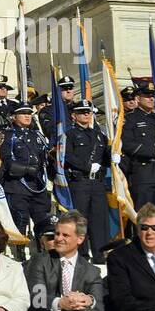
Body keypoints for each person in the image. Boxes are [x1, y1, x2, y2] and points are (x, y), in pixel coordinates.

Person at [0, 102, 52, 252]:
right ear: (14, 116)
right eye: (23, 113)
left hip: (37, 185)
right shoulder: (8, 135)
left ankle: (42, 251)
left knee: (42, 220)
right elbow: (6, 160)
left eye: (29, 113)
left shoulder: (37, 135)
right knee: (20, 219)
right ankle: (20, 253)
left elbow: (45, 157)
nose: (27, 116)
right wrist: (27, 169)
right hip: (17, 185)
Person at [63, 101, 111, 259]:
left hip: (97, 183)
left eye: (88, 111)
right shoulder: (69, 135)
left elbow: (105, 158)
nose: (86, 114)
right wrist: (86, 167)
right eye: (82, 112)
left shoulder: (99, 135)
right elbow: (67, 156)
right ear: (74, 115)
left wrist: (114, 156)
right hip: (80, 182)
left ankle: (100, 255)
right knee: (80, 220)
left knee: (99, 220)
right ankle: (82, 255)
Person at [121, 82, 155, 211]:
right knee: (144, 214)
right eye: (147, 96)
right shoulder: (129, 119)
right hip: (143, 174)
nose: (151, 99)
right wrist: (152, 151)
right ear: (138, 99)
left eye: (153, 96)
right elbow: (127, 145)